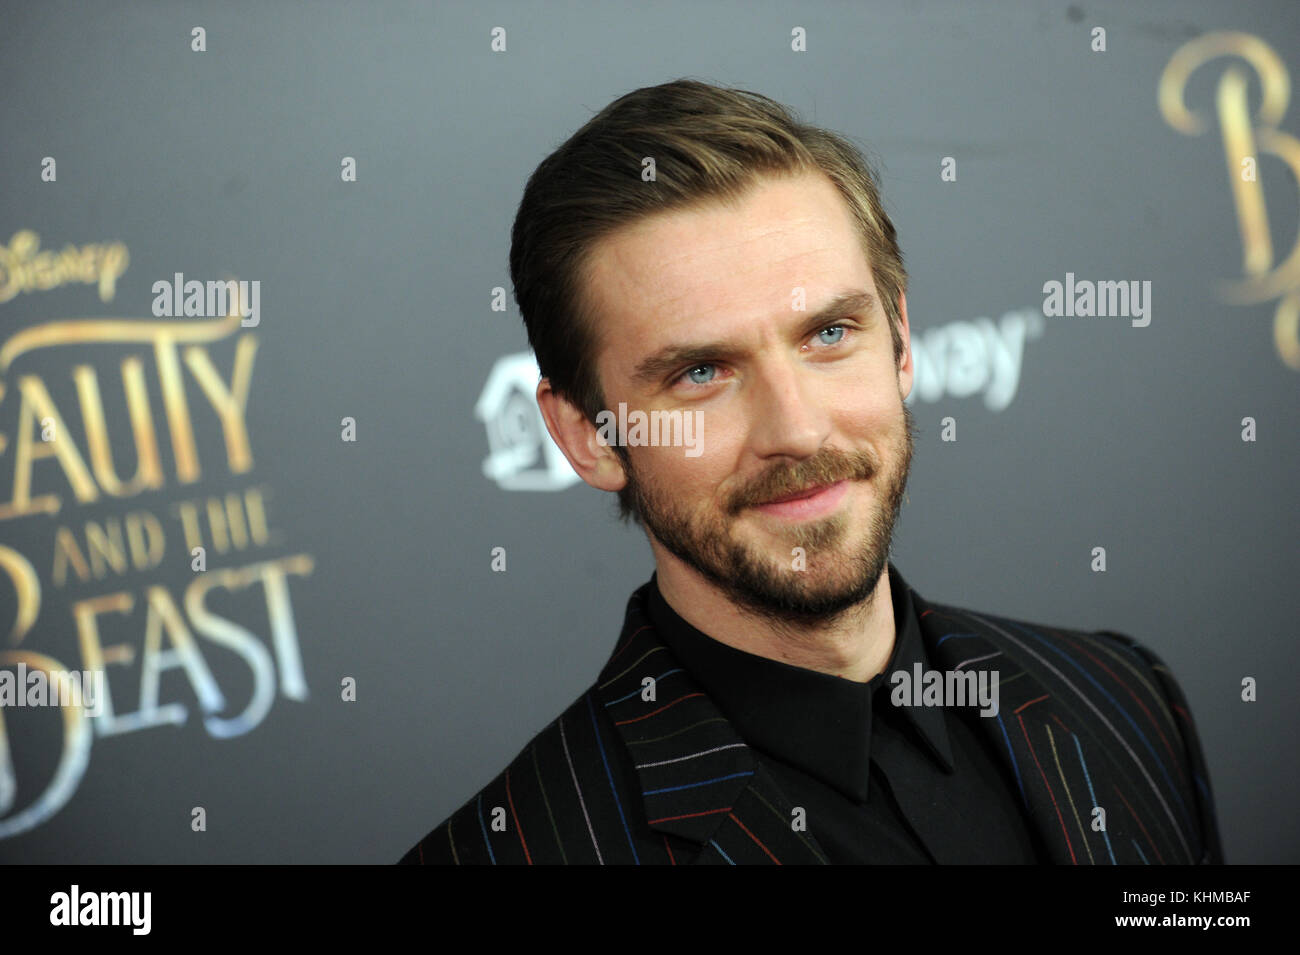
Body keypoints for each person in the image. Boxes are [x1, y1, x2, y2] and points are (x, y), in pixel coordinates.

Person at [399, 78, 1223, 865]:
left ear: (900, 340)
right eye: (700, 373)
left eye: (829, 334)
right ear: (589, 435)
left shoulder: (1124, 700)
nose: (796, 429)